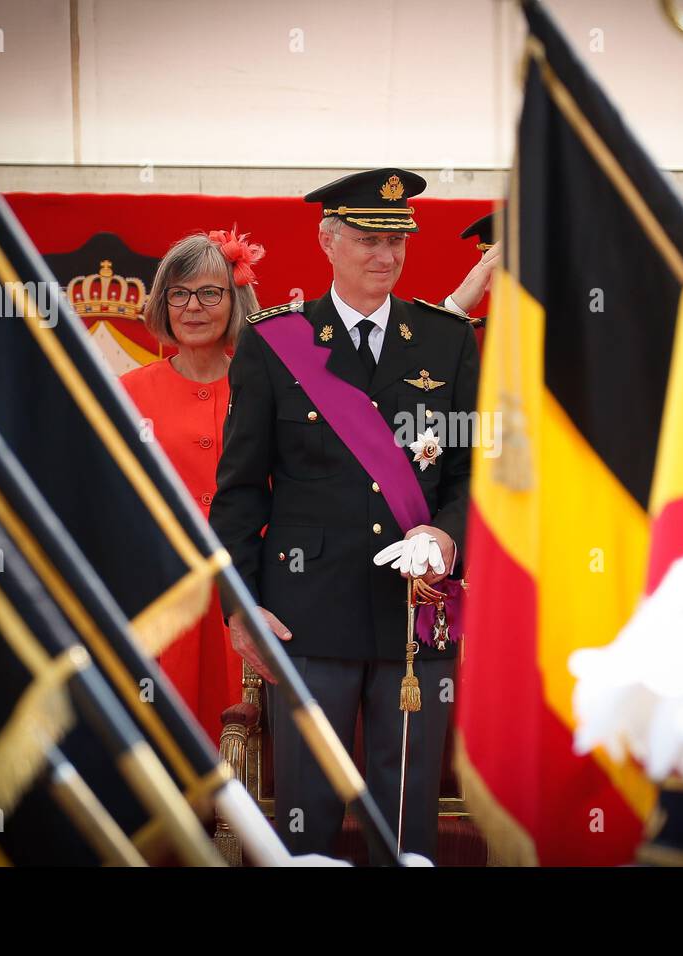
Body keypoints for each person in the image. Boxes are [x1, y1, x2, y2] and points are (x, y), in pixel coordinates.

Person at [210, 168, 489, 860]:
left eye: (396, 241)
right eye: (367, 239)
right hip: (308, 613)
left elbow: (470, 472)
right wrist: (238, 605)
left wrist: (446, 537)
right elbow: (241, 490)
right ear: (327, 241)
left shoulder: (447, 341)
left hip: (415, 613)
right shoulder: (276, 342)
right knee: (308, 810)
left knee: (408, 811)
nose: (385, 256)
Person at [120, 228, 264, 745]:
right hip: (163, 594)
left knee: (244, 740)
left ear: (234, 300)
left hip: (244, 594)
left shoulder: (264, 387)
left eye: (209, 292)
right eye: (178, 293)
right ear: (162, 303)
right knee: (167, 739)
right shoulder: (126, 394)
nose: (193, 306)